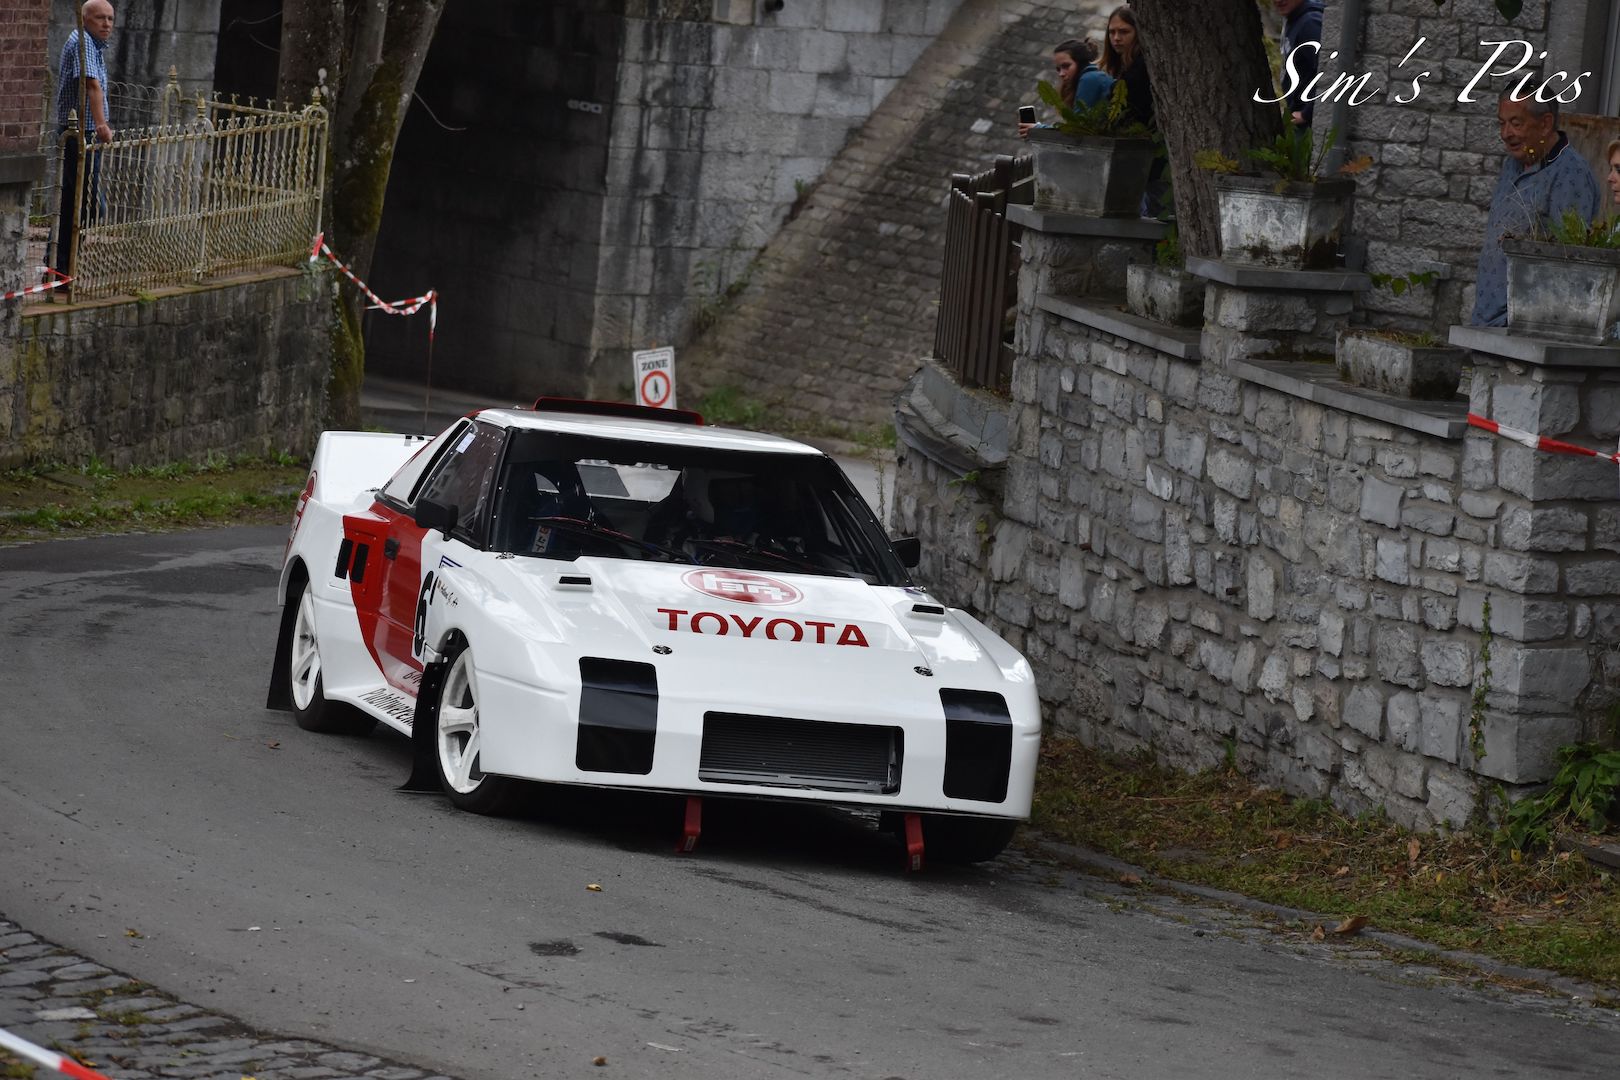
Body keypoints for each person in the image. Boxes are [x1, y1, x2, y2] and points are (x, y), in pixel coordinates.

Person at [1468, 88, 1601, 327]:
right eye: (1502, 124)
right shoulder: (1513, 164)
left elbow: (1568, 264)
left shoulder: (1571, 174)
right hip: (1485, 323)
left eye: (1516, 123)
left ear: (1545, 123)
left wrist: (1520, 322)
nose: (1506, 134)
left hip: (1520, 329)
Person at [51, 1, 116, 289]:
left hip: (86, 133)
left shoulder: (94, 44)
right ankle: (59, 269)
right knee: (81, 205)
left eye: (111, 19)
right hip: (79, 133)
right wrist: (101, 125)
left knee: (81, 205)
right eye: (100, 18)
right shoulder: (82, 41)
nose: (107, 24)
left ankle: (63, 268)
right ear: (85, 18)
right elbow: (91, 85)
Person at [1018, 39, 1113, 139]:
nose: (1061, 74)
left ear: (1080, 63)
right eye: (1058, 69)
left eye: (1066, 66)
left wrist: (1039, 129)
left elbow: (1077, 130)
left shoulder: (1090, 79)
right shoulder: (1092, 77)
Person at [1276, 0, 1324, 128]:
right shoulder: (1293, 19)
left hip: (1309, 122)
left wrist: (1306, 114)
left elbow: (1328, 72)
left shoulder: (1310, 23)